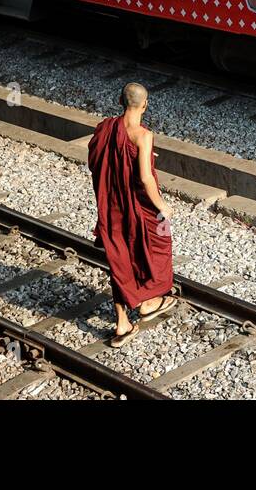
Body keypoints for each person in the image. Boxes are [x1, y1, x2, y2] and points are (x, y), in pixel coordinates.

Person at [87, 82, 177, 347]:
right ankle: (148, 301)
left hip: (113, 205)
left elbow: (98, 161)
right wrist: (162, 205)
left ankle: (123, 321)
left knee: (119, 259)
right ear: (145, 105)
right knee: (155, 245)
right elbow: (145, 177)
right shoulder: (143, 135)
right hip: (137, 206)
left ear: (120, 101)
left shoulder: (105, 128)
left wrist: (143, 156)